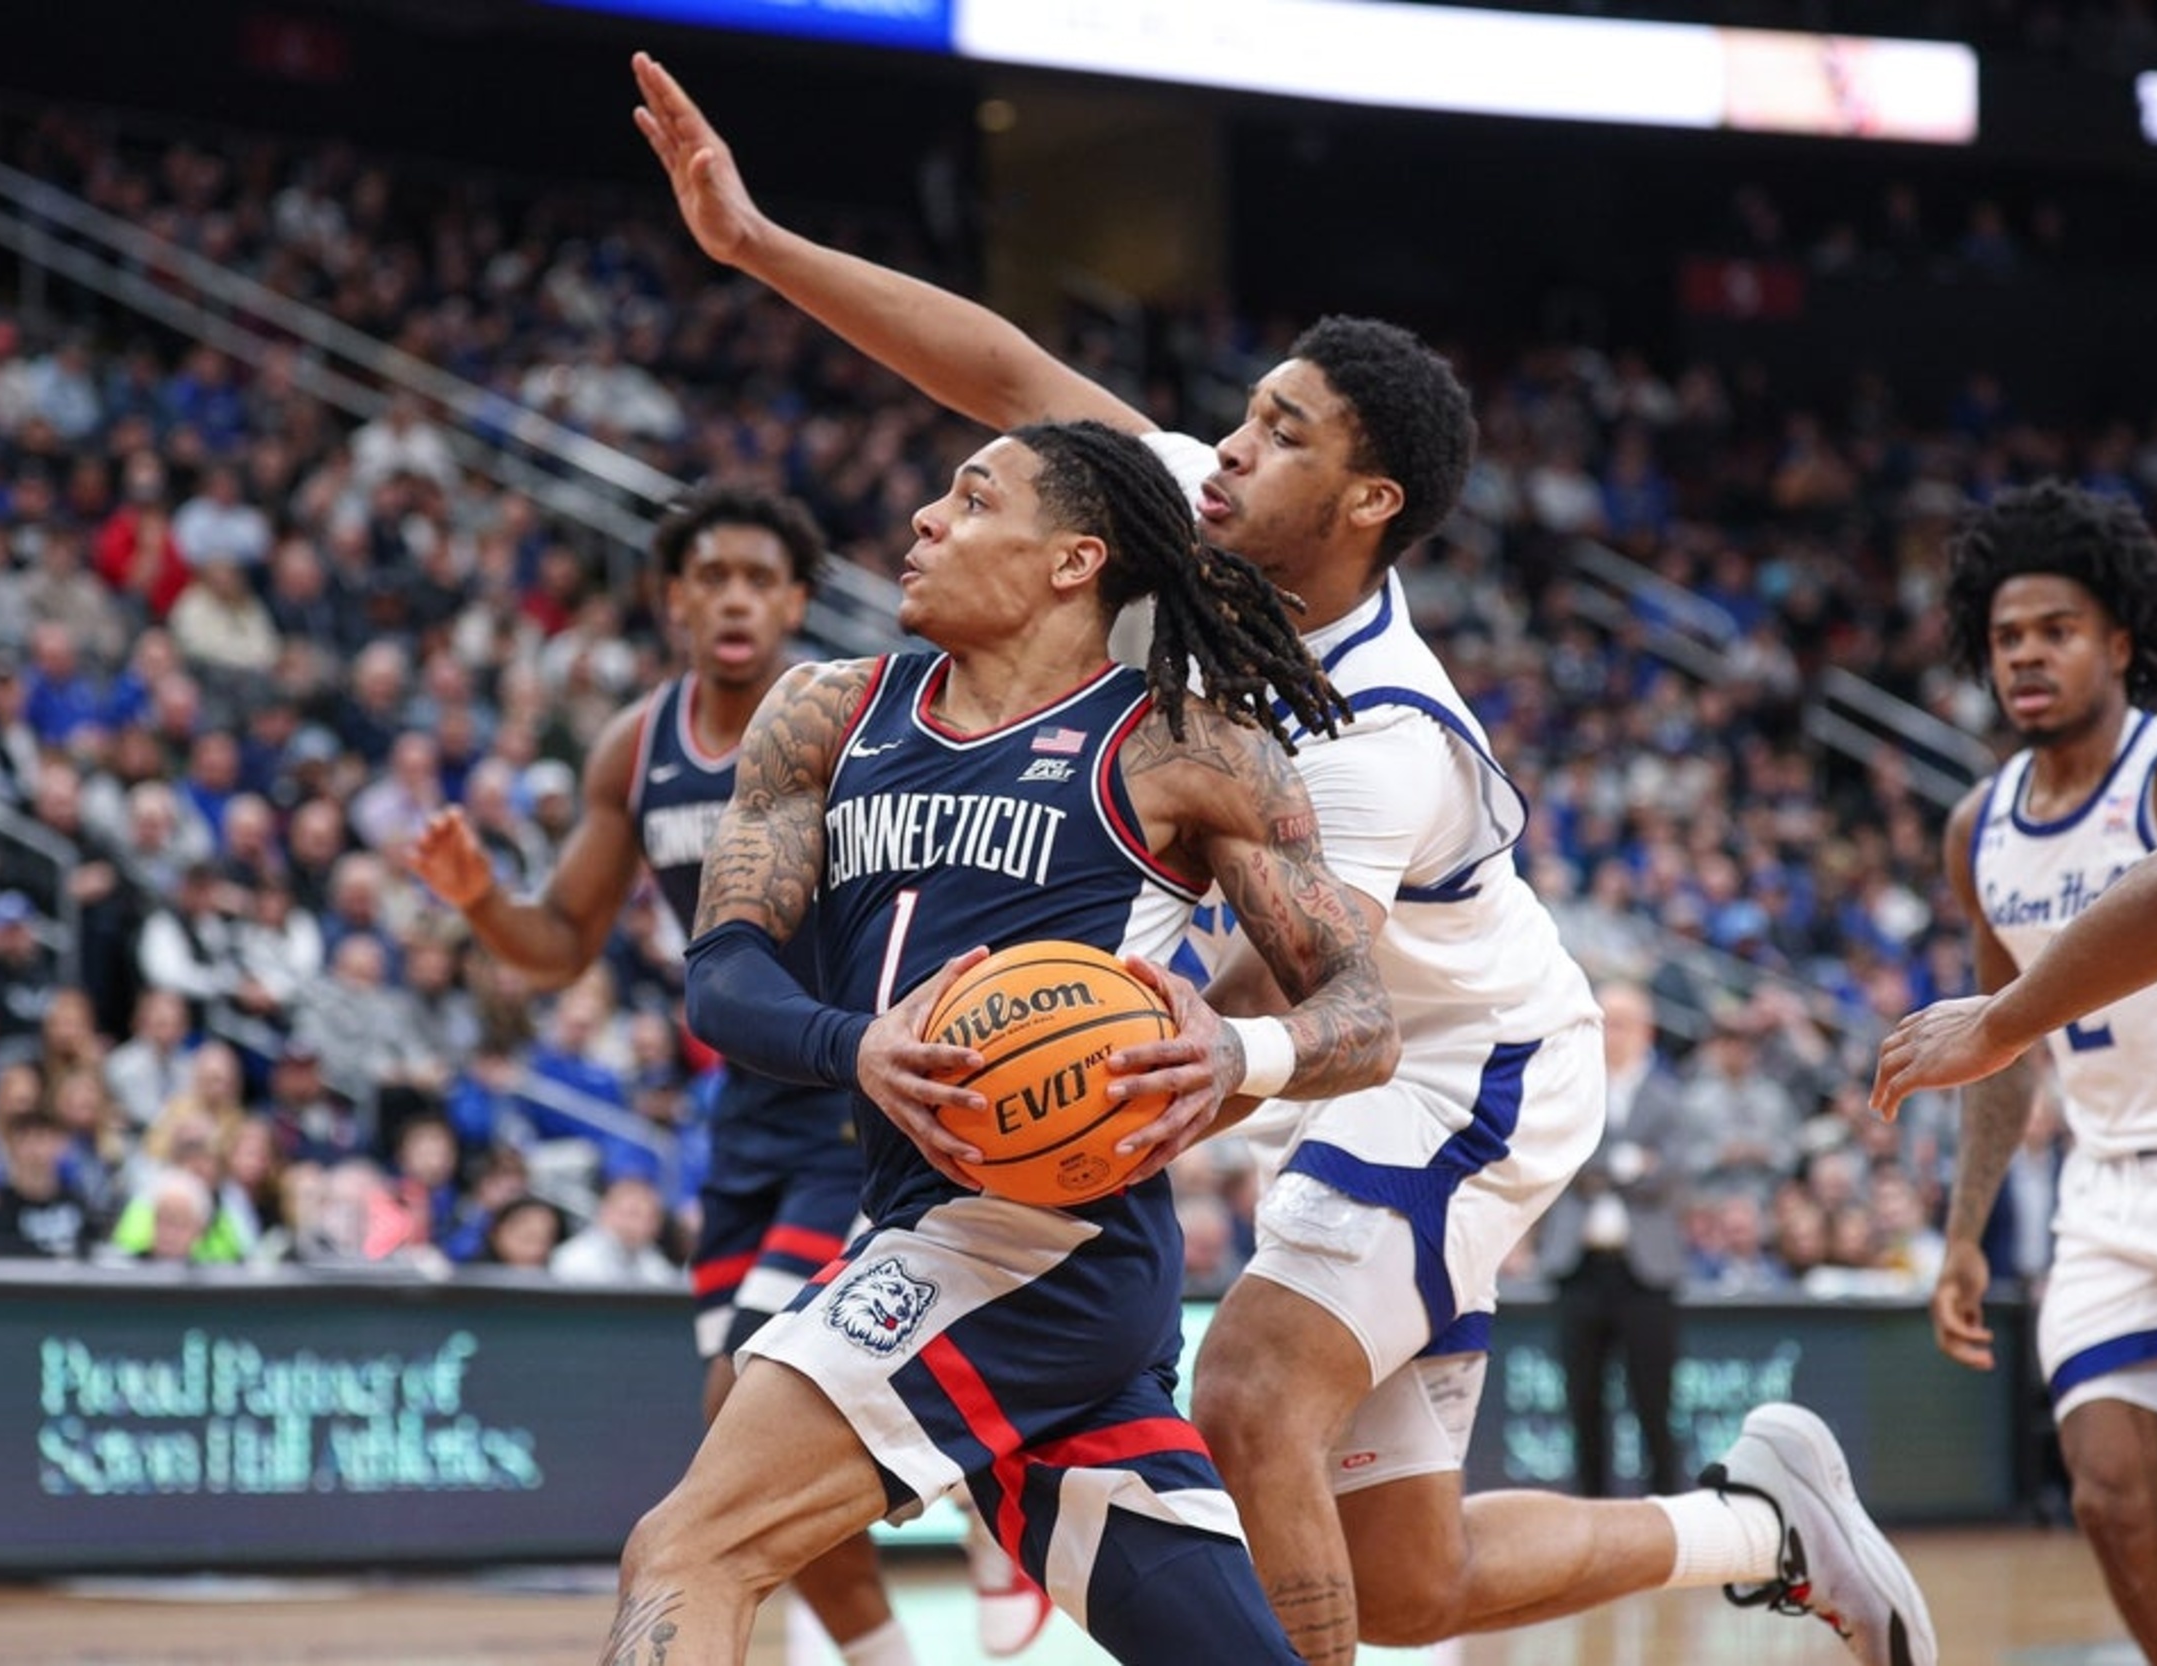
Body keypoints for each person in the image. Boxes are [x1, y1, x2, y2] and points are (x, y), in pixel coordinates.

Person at [631, 50, 1932, 1666]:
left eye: (1281, 432)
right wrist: (753, 241)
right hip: (1331, 1035)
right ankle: (1765, 1525)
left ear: (1369, 498)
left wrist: (1067, 1067)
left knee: (1247, 1387)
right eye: (1242, 417)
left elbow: (1286, 995)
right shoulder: (1197, 513)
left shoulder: (1383, 731)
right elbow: (1003, 366)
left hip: (1464, 1064)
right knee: (1407, 1582)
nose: (1230, 450)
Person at [602, 419, 1396, 1666]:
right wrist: (855, 1043)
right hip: (959, 1230)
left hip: (1028, 1239)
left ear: (1074, 560)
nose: (923, 519)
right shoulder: (824, 714)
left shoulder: (1181, 747)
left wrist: (1239, 1057)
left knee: (687, 1546)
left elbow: (1362, 1015)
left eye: (969, 500)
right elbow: (722, 980)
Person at [410, 487, 925, 1666]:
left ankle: (978, 1482)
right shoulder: (635, 747)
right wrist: (479, 898)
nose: (735, 595)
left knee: (744, 1403)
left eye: (759, 576)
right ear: (674, 598)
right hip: (740, 1114)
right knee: (764, 1435)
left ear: (796, 602)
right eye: (713, 576)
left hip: (852, 1106)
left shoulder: (851, 718)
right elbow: (557, 947)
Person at [1874, 480, 2157, 1666]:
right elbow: (2001, 1046)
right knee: (2111, 1507)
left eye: (2055, 630)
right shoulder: (1979, 827)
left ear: (2118, 642)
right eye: (2007, 636)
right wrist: (1962, 1230)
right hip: (2104, 1187)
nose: (2026, 655)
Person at [1532, 980, 1690, 1497]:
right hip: (1579, 1267)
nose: (1608, 1033)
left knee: (1654, 1402)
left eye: (1619, 1022)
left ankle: (1669, 1517)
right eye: (1601, 1022)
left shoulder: (1668, 1098)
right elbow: (1561, 1159)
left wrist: (1606, 1168)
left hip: (1645, 1273)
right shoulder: (1571, 1089)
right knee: (1583, 1403)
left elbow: (1670, 1173)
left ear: (1645, 1030)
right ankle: (1591, 1517)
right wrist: (1628, 1163)